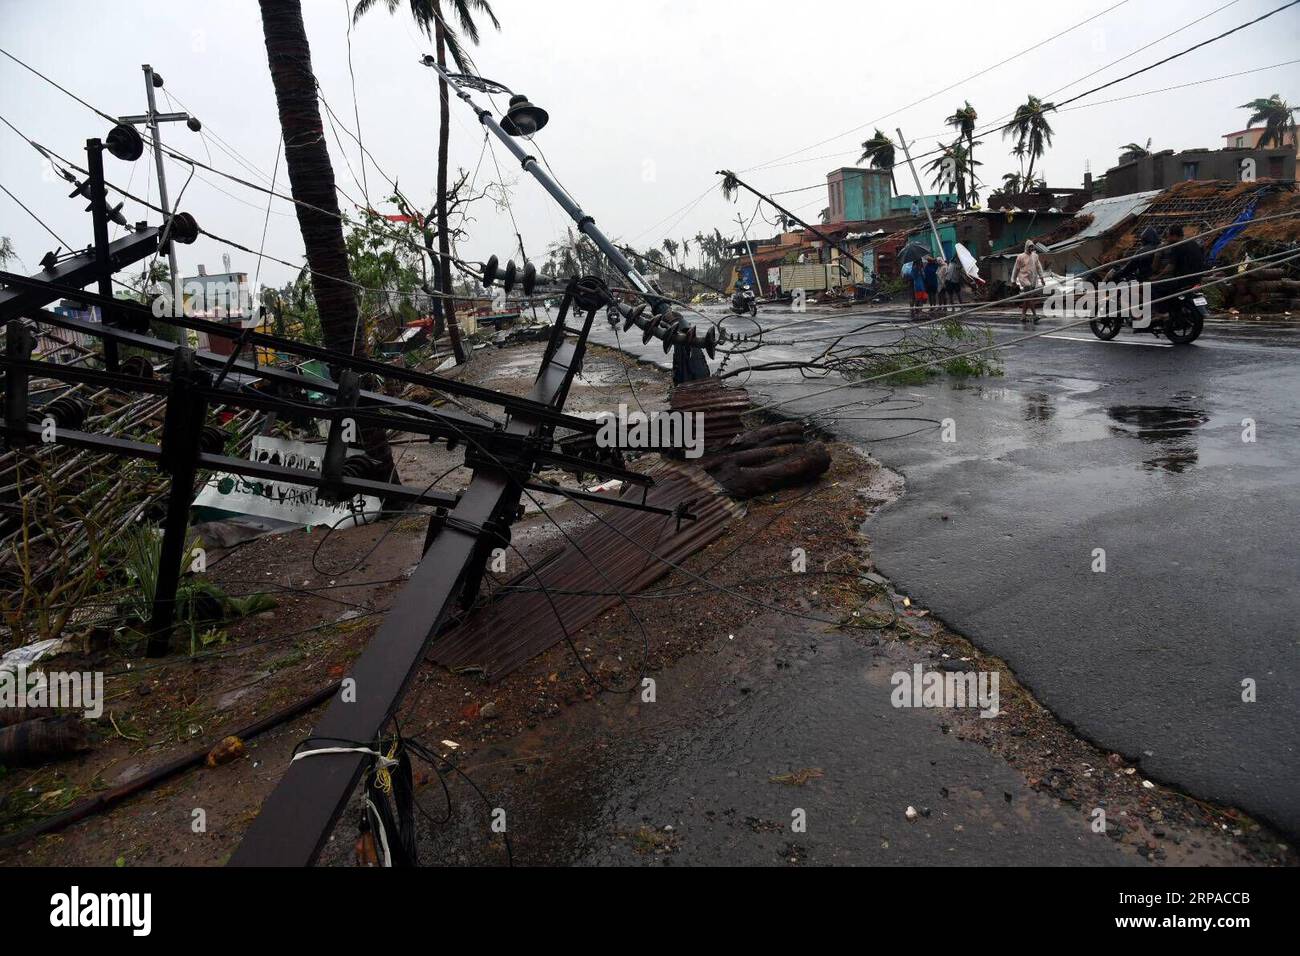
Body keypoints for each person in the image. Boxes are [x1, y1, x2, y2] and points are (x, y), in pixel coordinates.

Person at [1011, 240, 1044, 323]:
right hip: (1024, 278)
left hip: (1032, 278)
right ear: (1026, 247)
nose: (1031, 248)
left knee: (1027, 298)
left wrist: (1042, 278)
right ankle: (1034, 315)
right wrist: (1013, 280)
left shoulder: (1035, 256)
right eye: (1030, 246)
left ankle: (1023, 315)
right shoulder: (1020, 257)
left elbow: (1039, 267)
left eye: (1032, 246)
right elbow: (1016, 269)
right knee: (1029, 296)